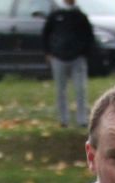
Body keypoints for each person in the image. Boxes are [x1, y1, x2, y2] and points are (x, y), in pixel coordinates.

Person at [42, 0, 96, 129]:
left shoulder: (80, 16)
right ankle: (63, 119)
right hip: (59, 57)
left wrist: (84, 53)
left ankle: (82, 119)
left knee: (80, 89)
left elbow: (88, 36)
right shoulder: (55, 15)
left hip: (77, 58)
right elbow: (46, 34)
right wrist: (49, 52)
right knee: (61, 90)